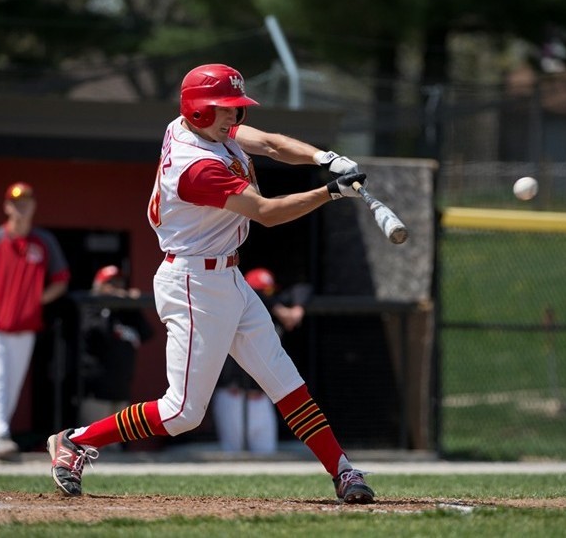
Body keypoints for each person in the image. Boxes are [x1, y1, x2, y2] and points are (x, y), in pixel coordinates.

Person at [47, 63, 376, 503]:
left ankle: (343, 471)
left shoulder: (204, 130)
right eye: (226, 109)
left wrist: (325, 158)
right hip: (192, 283)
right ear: (198, 110)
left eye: (236, 109)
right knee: (182, 412)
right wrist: (330, 193)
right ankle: (75, 439)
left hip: (227, 277)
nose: (235, 118)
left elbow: (274, 144)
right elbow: (266, 212)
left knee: (285, 381)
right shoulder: (196, 166)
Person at [0, 181, 70, 461]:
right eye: (15, 201)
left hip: (25, 329)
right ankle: (0, 435)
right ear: (6, 206)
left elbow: (61, 280)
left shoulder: (43, 241)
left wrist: (36, 299)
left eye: (26, 201)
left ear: (34, 205)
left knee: (10, 392)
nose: (21, 206)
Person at [212, 267, 312, 454]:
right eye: (261, 292)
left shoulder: (274, 310)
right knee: (232, 457)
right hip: (233, 395)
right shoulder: (236, 304)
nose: (266, 296)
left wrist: (297, 308)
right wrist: (279, 308)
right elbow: (258, 299)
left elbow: (303, 289)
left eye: (270, 292)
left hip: (261, 398)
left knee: (266, 456)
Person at [78, 265, 153, 448]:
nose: (116, 287)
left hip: (121, 387)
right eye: (110, 283)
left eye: (119, 283)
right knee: (94, 444)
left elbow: (147, 333)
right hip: (97, 390)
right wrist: (110, 304)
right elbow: (95, 335)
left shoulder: (126, 312)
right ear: (99, 285)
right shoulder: (91, 306)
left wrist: (132, 306)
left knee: (116, 445)